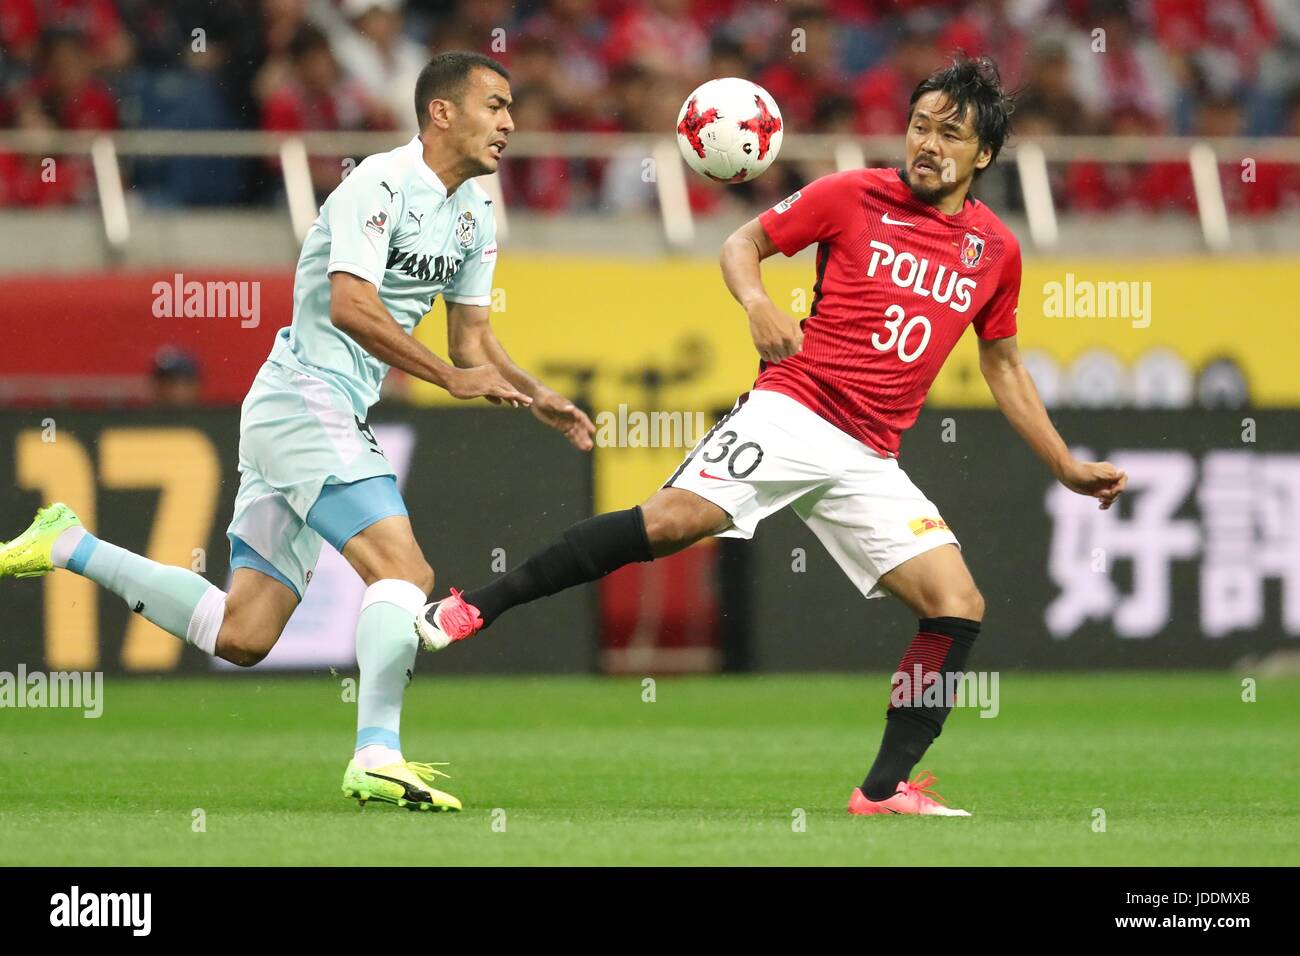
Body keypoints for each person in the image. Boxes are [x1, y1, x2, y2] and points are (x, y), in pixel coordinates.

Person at [417, 55, 1128, 817]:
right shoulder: (853, 195)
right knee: (668, 524)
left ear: (982, 155)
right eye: (919, 126)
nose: (927, 144)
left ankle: (883, 791)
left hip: (871, 456)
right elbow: (740, 244)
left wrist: (1062, 464)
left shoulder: (995, 252)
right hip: (793, 409)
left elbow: (1005, 365)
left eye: (950, 134)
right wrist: (757, 302)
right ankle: (478, 605)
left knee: (957, 603)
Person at [0, 52, 595, 813]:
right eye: (496, 105)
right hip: (305, 397)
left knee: (243, 633)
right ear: (442, 112)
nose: (511, 123)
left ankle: (67, 543)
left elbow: (471, 340)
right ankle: (377, 753)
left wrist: (533, 391)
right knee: (404, 576)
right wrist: (449, 380)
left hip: (314, 413)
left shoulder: (476, 212)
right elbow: (350, 306)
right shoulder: (378, 184)